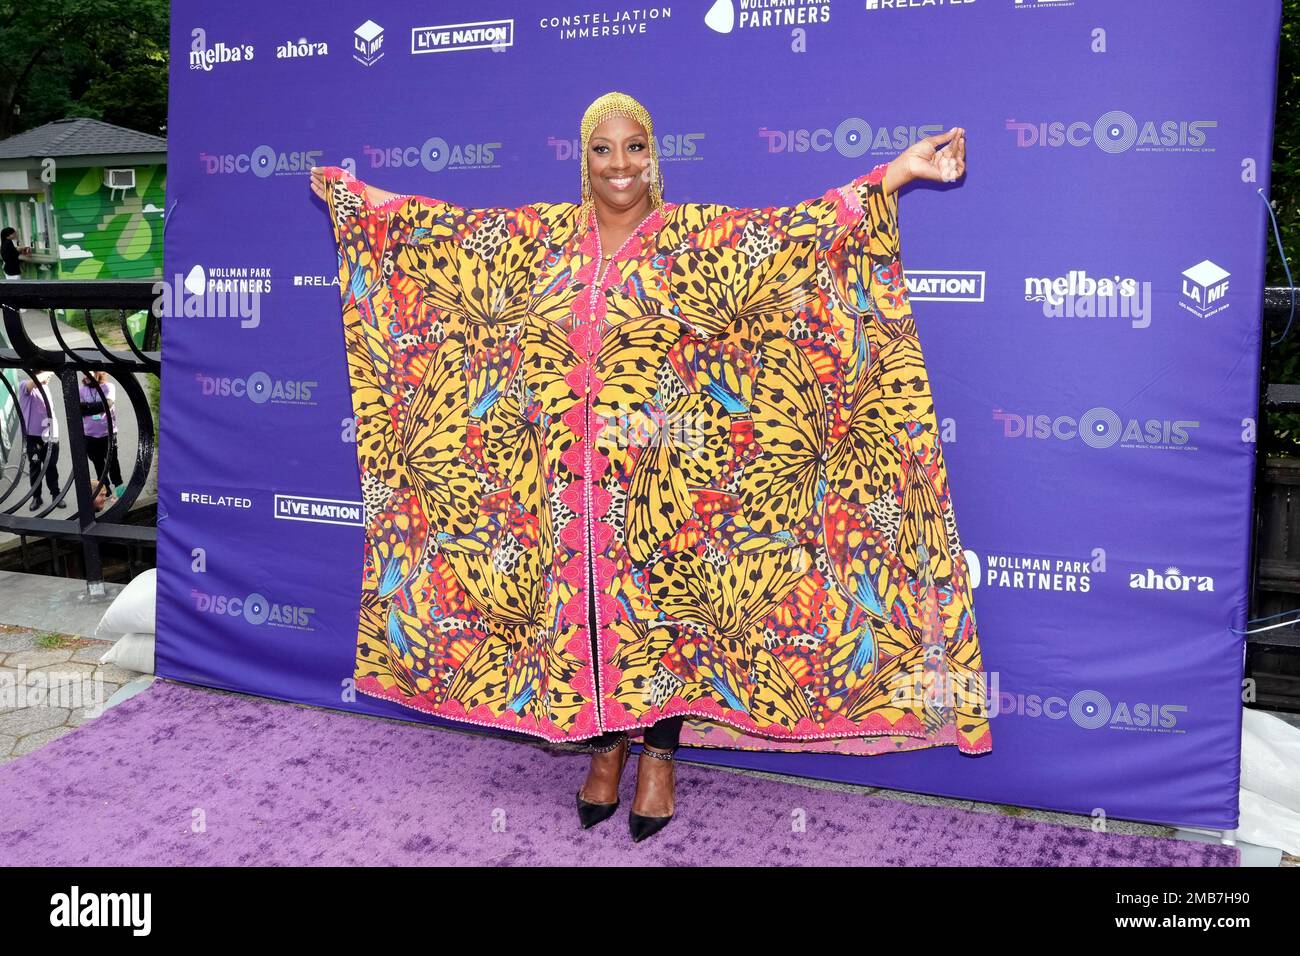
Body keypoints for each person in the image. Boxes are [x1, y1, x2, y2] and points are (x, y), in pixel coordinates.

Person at [310, 91, 985, 843]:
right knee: (584, 614)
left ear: (654, 155)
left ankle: (657, 760)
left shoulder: (692, 237)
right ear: (583, 158)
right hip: (564, 481)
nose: (620, 164)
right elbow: (447, 239)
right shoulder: (539, 239)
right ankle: (605, 751)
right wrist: (362, 200)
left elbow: (794, 235)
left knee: (661, 621)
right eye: (604, 149)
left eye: (635, 147)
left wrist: (892, 175)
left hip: (669, 479)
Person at [18, 370, 63, 510]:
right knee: (35, 467)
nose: (49, 378)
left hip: (50, 435)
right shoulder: (24, 386)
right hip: (33, 437)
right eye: (47, 375)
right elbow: (33, 383)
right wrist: (50, 369)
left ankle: (56, 494)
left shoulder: (46, 388)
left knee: (51, 467)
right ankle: (37, 497)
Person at [79, 370, 123, 508]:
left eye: (89, 373)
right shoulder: (82, 389)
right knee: (98, 463)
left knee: (112, 462)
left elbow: (107, 404)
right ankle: (105, 489)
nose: (86, 376)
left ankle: (120, 490)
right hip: (89, 434)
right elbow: (77, 408)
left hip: (107, 433)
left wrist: (87, 407)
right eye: (84, 374)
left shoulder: (109, 387)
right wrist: (95, 408)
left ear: (98, 373)